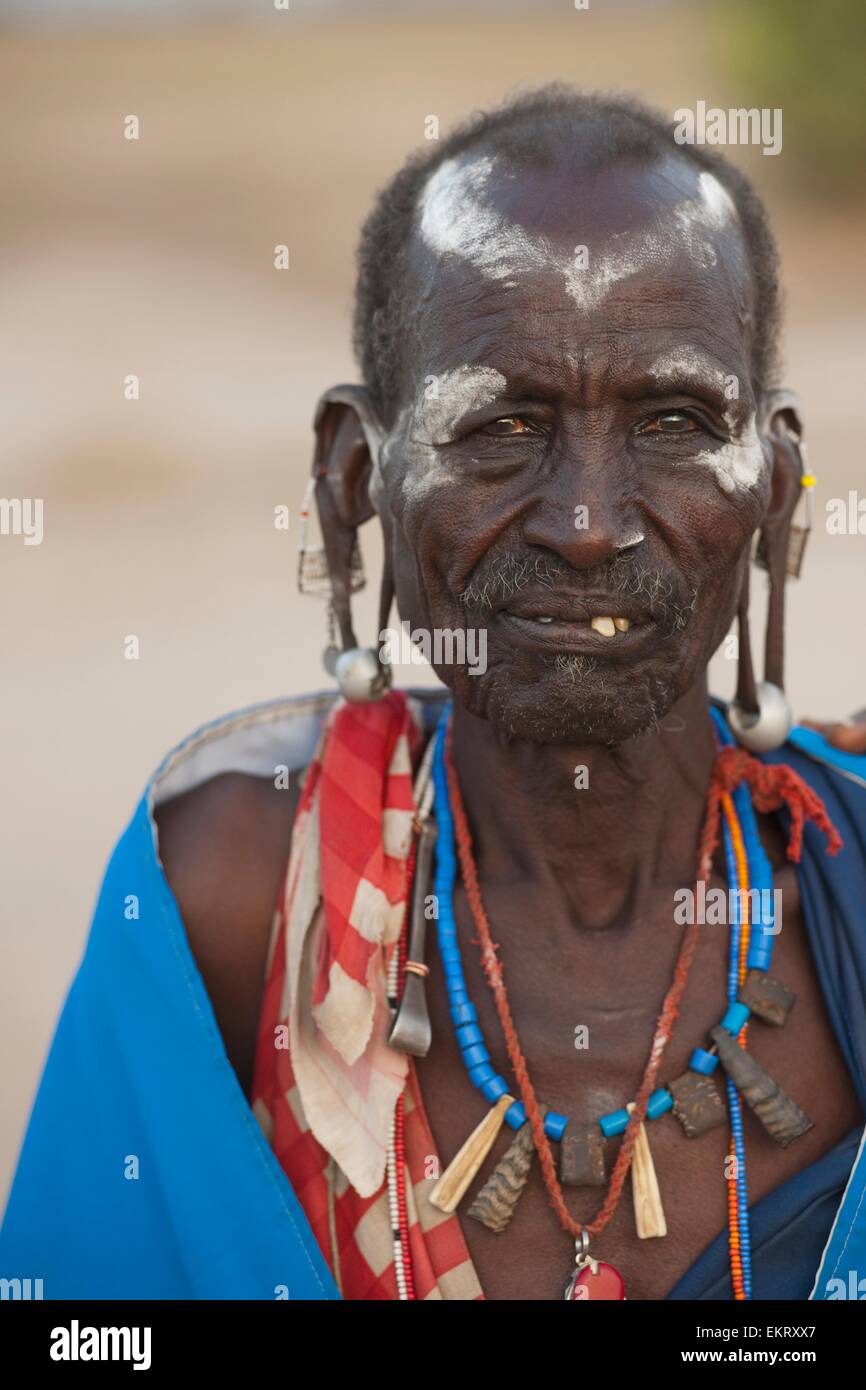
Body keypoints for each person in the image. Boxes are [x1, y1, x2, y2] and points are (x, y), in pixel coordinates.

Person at [3, 88, 865, 1303]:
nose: (584, 525)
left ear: (774, 483)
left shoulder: (851, 873)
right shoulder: (236, 896)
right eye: (501, 424)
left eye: (672, 421)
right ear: (353, 477)